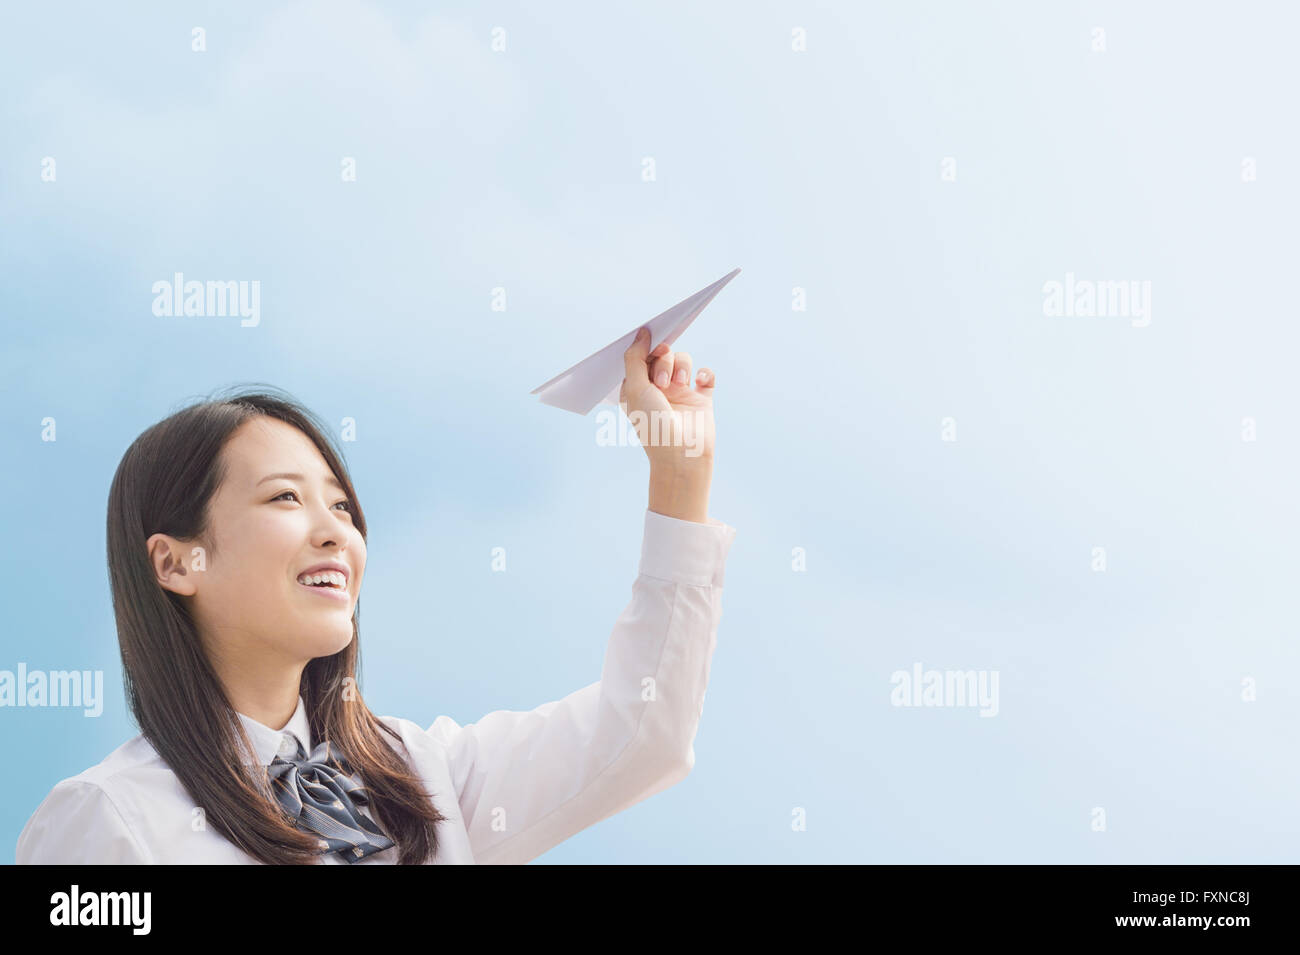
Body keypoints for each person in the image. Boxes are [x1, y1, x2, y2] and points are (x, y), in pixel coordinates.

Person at [14, 329, 735, 864]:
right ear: (175, 562)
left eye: (343, 506)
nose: (336, 533)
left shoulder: (420, 776)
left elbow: (643, 735)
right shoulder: (109, 818)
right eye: (286, 497)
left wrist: (681, 479)